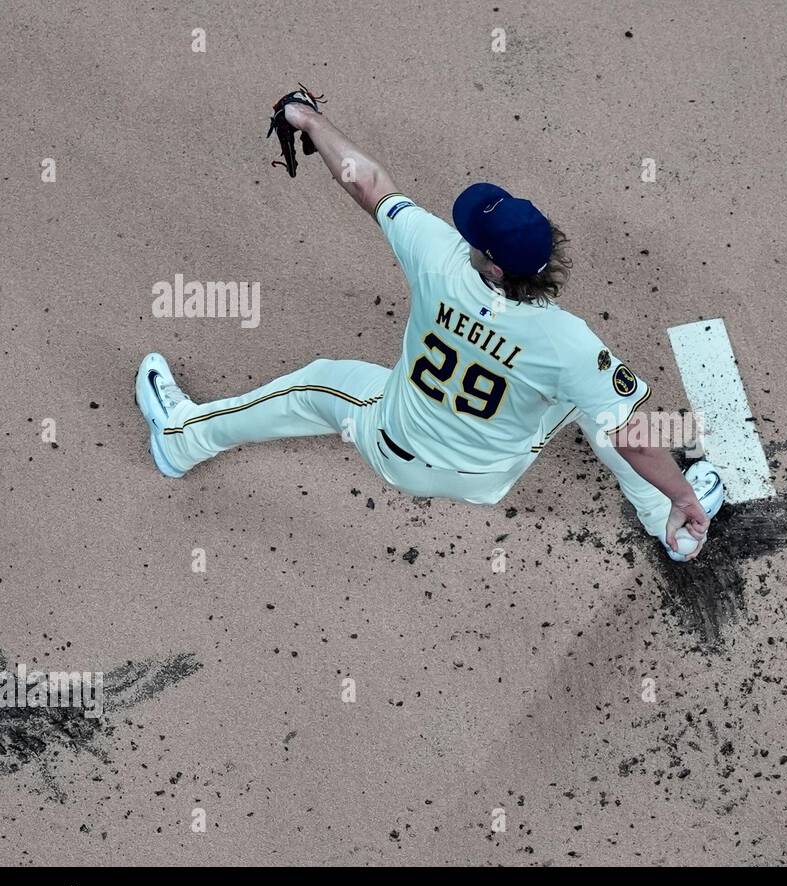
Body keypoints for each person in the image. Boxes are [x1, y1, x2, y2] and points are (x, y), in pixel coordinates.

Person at [134, 94, 723, 560]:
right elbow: (633, 437)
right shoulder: (568, 342)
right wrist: (681, 493)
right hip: (490, 476)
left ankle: (181, 439)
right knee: (612, 413)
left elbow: (365, 181)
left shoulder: (440, 259)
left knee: (315, 387)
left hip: (395, 448)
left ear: (491, 264)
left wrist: (307, 118)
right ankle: (672, 528)